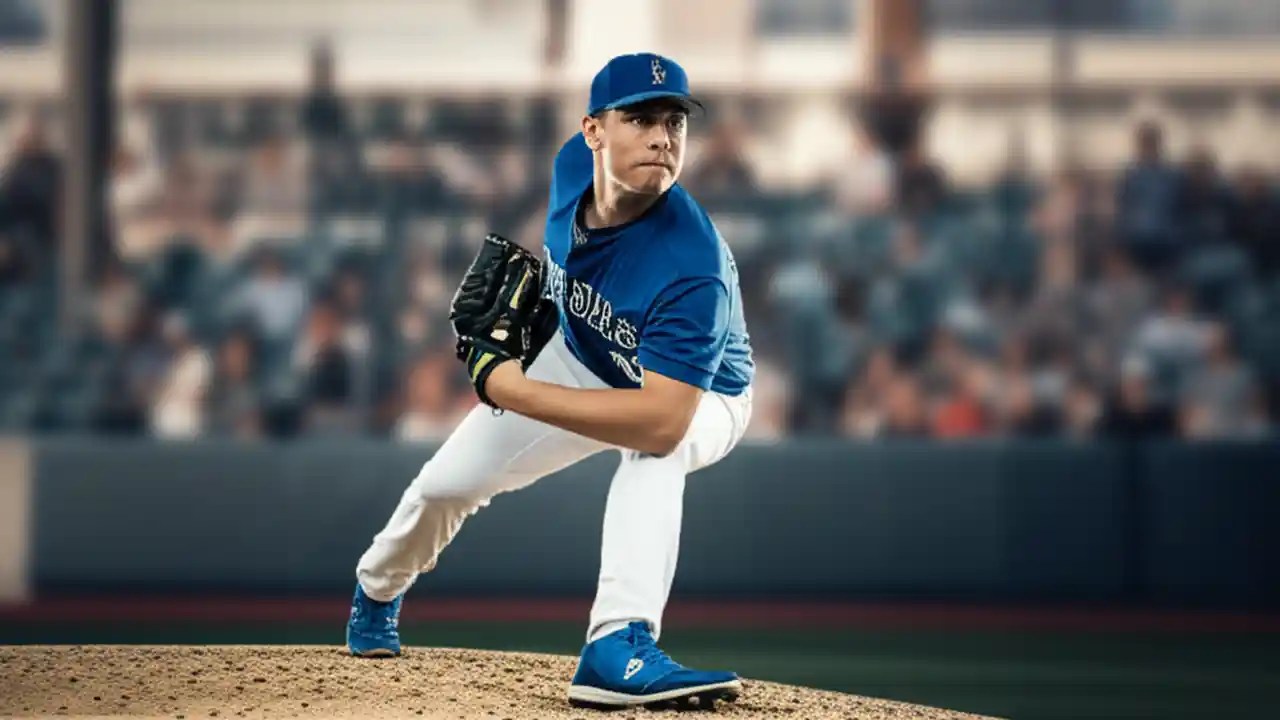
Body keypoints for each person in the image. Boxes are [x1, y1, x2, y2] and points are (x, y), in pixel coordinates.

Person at [346, 53, 754, 710]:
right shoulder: (570, 166)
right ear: (593, 131)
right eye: (642, 118)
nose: (662, 136)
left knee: (655, 453)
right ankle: (375, 594)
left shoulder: (692, 265)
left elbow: (661, 419)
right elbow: (581, 259)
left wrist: (513, 389)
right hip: (578, 352)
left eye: (675, 121)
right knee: (447, 485)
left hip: (700, 398)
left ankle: (619, 642)